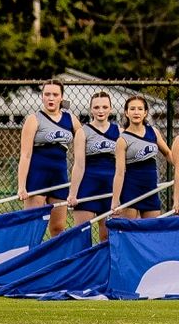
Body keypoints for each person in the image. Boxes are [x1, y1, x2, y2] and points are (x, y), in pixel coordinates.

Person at [16, 80, 75, 235]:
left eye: (55, 94)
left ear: (61, 98)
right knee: (32, 227)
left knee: (58, 227)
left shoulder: (71, 119)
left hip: (59, 177)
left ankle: (56, 258)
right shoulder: (34, 119)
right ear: (42, 97)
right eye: (47, 94)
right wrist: (21, 186)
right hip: (37, 176)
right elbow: (25, 154)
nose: (51, 98)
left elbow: (84, 141)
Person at [67, 91, 123, 231]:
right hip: (88, 186)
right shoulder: (82, 132)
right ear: (91, 109)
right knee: (81, 234)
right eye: (96, 107)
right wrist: (73, 194)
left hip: (110, 187)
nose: (101, 111)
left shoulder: (120, 132)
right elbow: (79, 165)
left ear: (110, 108)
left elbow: (123, 167)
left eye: (104, 107)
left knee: (108, 237)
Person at [112, 94, 166, 220]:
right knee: (130, 232)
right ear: (126, 112)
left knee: (152, 232)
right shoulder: (122, 139)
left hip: (150, 189)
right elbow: (120, 172)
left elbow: (168, 153)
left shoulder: (153, 132)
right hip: (131, 190)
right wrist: (115, 201)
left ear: (146, 112)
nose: (136, 112)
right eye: (132, 109)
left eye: (140, 109)